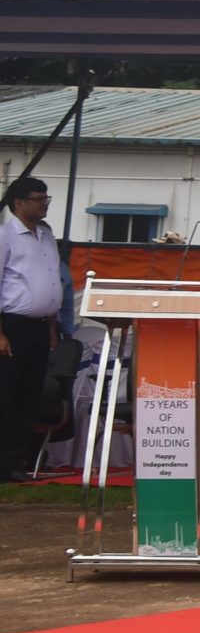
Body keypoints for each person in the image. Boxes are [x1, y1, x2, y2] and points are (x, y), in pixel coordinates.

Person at [0, 176, 64, 483]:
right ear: (19, 203)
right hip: (12, 326)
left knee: (29, 397)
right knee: (7, 395)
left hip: (40, 327)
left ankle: (17, 461)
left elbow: (50, 280)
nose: (44, 204)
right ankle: (4, 463)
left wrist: (50, 326)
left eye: (46, 199)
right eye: (39, 199)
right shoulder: (5, 236)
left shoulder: (46, 235)